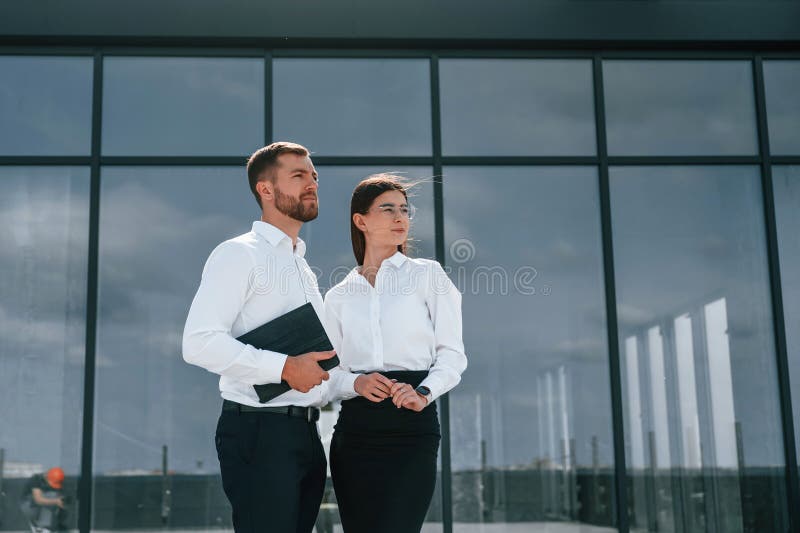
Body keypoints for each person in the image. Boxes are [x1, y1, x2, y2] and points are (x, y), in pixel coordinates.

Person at [182, 142, 354, 533]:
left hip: (305, 433)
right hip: (260, 433)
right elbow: (198, 342)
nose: (312, 183)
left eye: (314, 176)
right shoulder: (239, 254)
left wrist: (355, 383)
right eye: (299, 175)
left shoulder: (300, 266)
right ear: (266, 189)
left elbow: (316, 367)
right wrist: (285, 367)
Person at [324, 174, 468, 533]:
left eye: (404, 210)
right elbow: (327, 375)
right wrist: (355, 383)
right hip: (355, 434)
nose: (400, 217)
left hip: (411, 429)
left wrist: (423, 392)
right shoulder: (338, 296)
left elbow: (452, 355)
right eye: (388, 209)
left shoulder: (429, 276)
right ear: (361, 221)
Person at [19, 467, 67, 533]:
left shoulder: (53, 482)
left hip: (40, 509)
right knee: (52, 496)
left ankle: (40, 527)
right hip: (28, 506)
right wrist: (56, 501)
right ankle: (41, 527)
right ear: (47, 477)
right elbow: (38, 500)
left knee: (54, 496)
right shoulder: (36, 479)